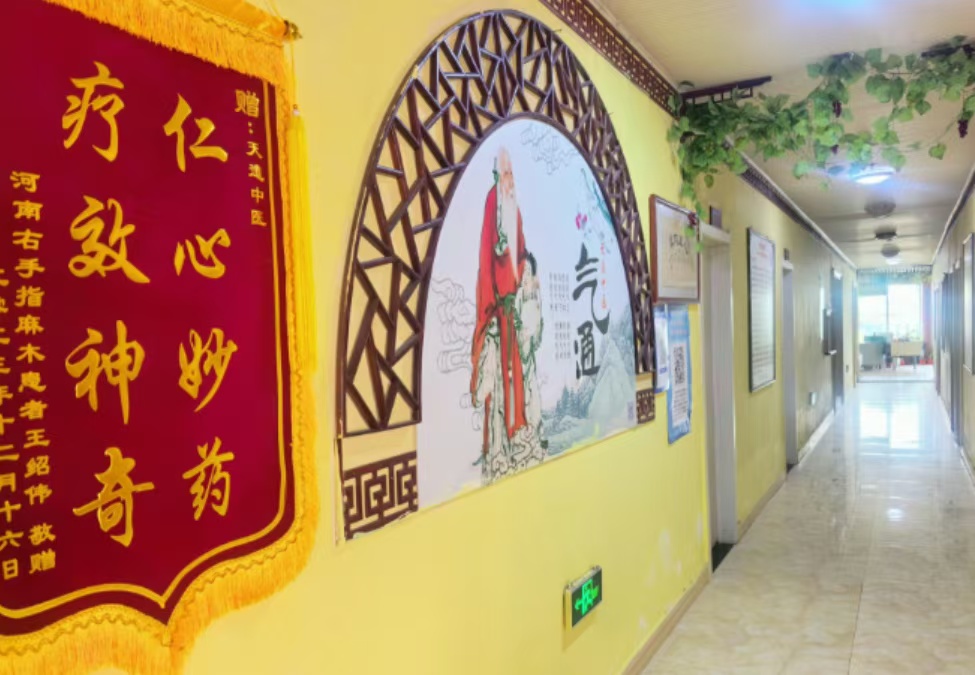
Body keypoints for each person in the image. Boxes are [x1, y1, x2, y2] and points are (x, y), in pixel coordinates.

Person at [470, 147, 545, 481]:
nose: (510, 180)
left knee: (520, 380)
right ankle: (500, 450)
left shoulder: (515, 208)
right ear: (496, 176)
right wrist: (489, 312)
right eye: (505, 174)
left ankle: (521, 437)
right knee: (501, 385)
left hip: (516, 311)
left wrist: (527, 269)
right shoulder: (493, 203)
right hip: (499, 311)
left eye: (512, 173)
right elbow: (486, 261)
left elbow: (522, 250)